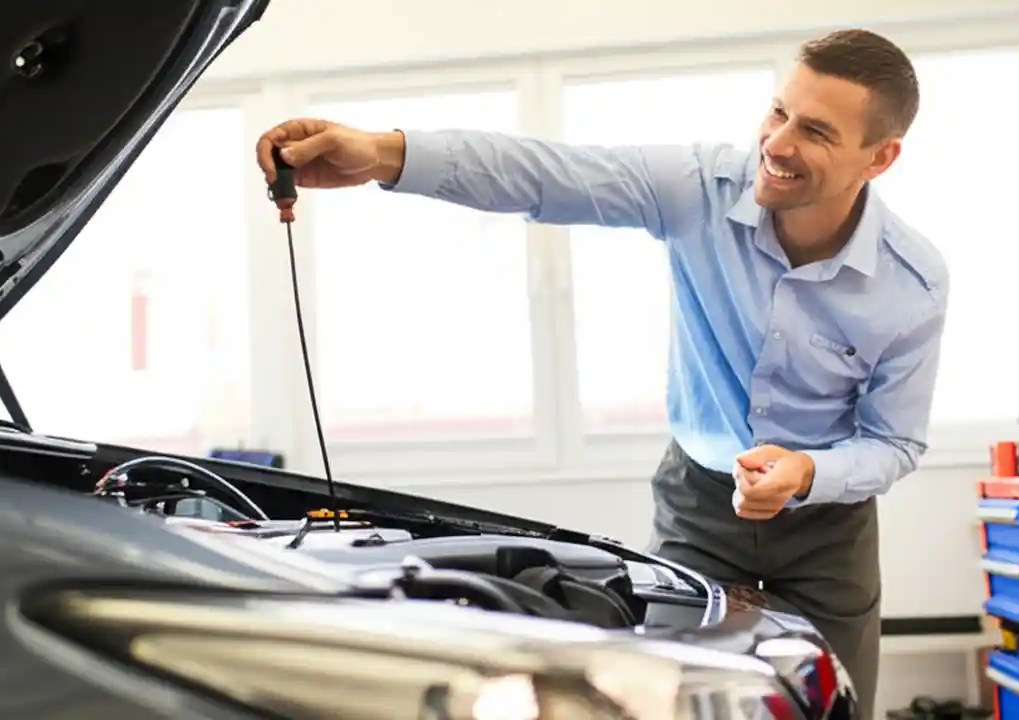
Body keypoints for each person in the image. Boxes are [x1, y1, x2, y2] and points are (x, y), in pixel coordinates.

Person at [256, 28, 946, 718]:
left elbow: (895, 443)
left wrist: (806, 473)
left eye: (816, 131)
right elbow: (547, 175)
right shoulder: (701, 190)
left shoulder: (910, 284)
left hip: (829, 526)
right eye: (777, 112)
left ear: (879, 158)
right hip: (698, 506)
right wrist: (381, 154)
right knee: (673, 701)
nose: (777, 143)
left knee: (836, 704)